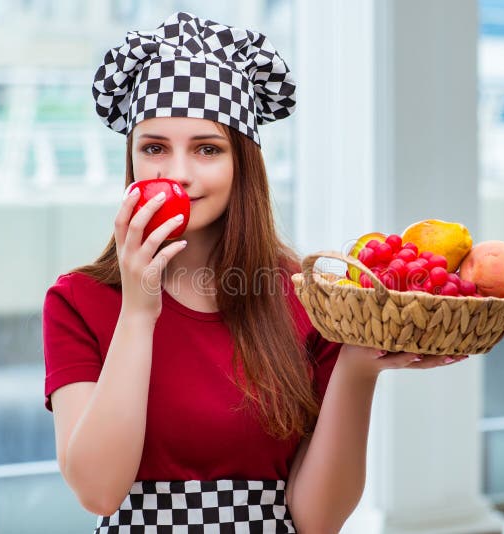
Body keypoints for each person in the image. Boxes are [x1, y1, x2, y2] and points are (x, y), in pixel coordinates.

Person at [42, 11, 467, 534]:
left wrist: (358, 366)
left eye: (207, 149)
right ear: (130, 161)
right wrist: (137, 311)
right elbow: (99, 491)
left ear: (243, 164)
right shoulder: (77, 301)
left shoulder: (311, 298)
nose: (177, 173)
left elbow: (317, 520)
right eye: (154, 148)